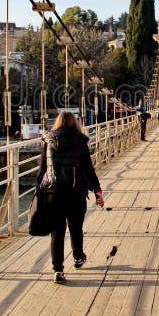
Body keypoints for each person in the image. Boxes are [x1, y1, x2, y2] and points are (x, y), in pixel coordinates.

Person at [37, 111, 104, 284]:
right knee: (76, 228)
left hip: (53, 192)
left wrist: (38, 191)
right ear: (75, 123)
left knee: (57, 232)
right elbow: (88, 168)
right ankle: (78, 257)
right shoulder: (80, 140)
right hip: (75, 191)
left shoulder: (48, 140)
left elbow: (43, 168)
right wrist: (97, 190)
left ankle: (58, 270)